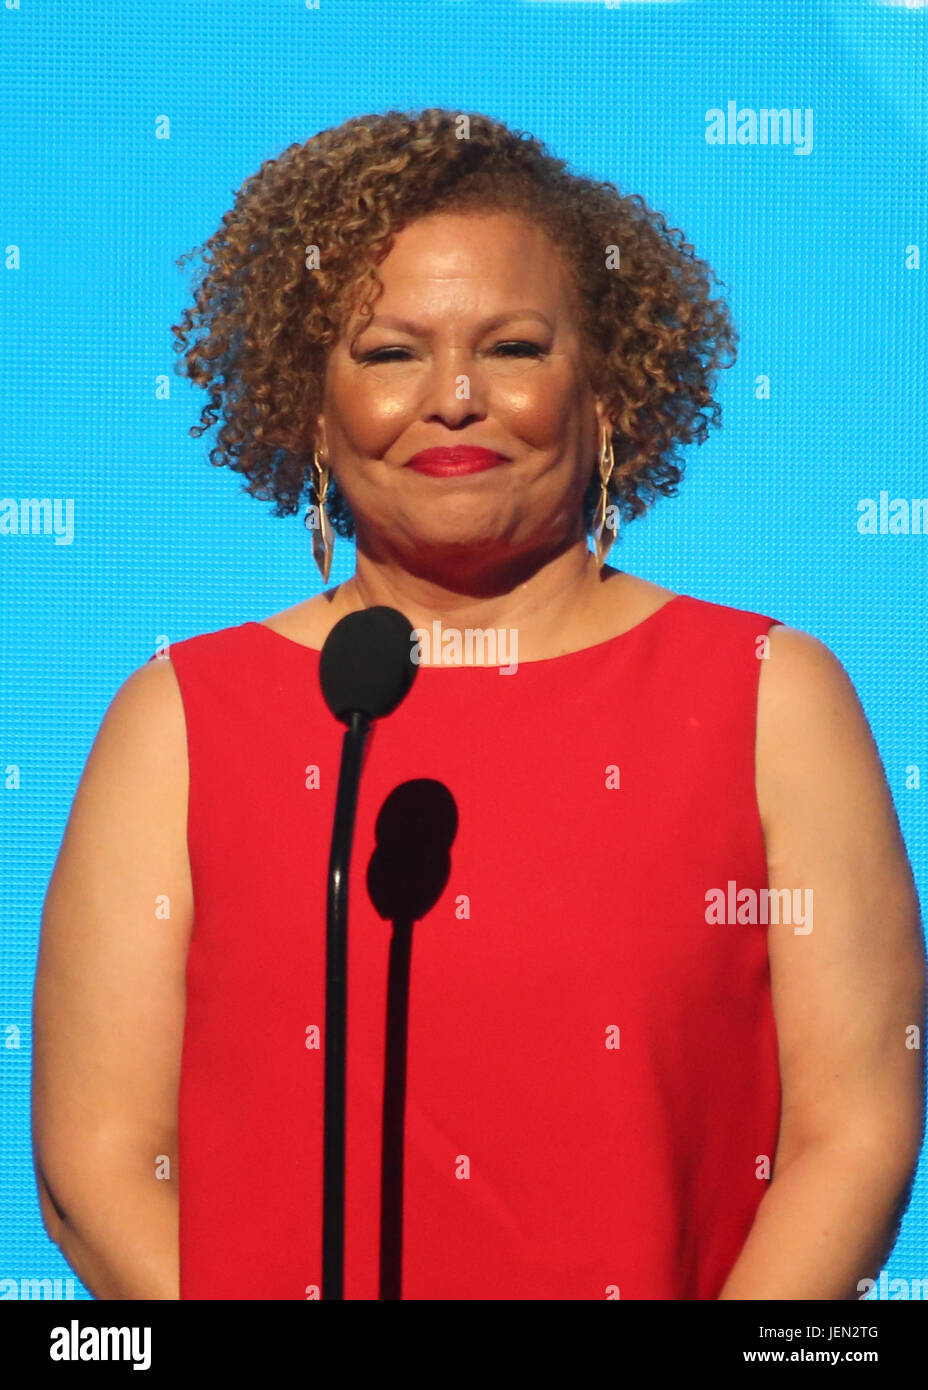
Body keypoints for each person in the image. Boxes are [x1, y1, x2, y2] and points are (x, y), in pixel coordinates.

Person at [31, 108, 924, 1300]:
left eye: (510, 348)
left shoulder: (770, 696)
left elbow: (852, 1132)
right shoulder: (180, 717)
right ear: (310, 408)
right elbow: (98, 1166)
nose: (453, 397)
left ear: (607, 391)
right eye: (390, 353)